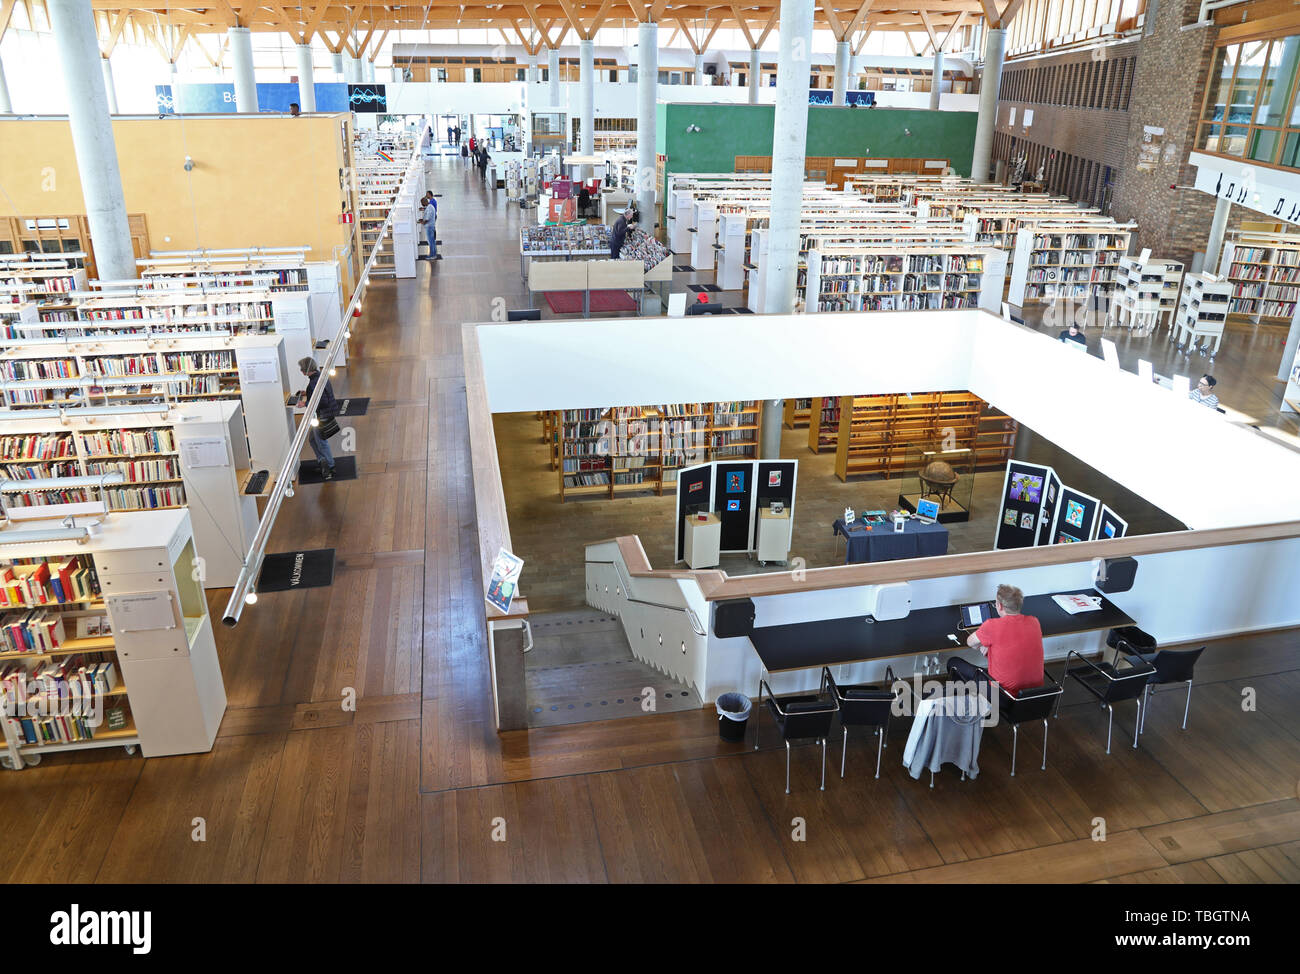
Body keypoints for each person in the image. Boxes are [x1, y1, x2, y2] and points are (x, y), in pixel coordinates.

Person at [951, 584, 1045, 695]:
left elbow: (970, 643)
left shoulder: (992, 625)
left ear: (999, 606)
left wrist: (984, 645)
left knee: (953, 662)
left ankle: (968, 701)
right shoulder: (1034, 621)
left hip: (1000, 692)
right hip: (1034, 691)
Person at [297, 357, 339, 481]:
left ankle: (330, 467)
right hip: (327, 413)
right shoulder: (319, 376)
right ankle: (323, 462)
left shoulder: (313, 383)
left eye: (301, 369)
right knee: (313, 440)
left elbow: (322, 401)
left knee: (321, 442)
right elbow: (319, 393)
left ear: (306, 370)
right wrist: (307, 393)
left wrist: (304, 404)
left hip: (322, 415)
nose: (300, 371)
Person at [418, 191, 440, 260]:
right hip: (430, 226)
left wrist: (422, 222)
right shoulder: (429, 207)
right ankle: (433, 254)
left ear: (425, 202)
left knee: (431, 242)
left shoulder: (430, 208)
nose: (422, 205)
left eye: (422, 203)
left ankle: (432, 255)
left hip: (430, 227)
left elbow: (427, 218)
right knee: (432, 241)